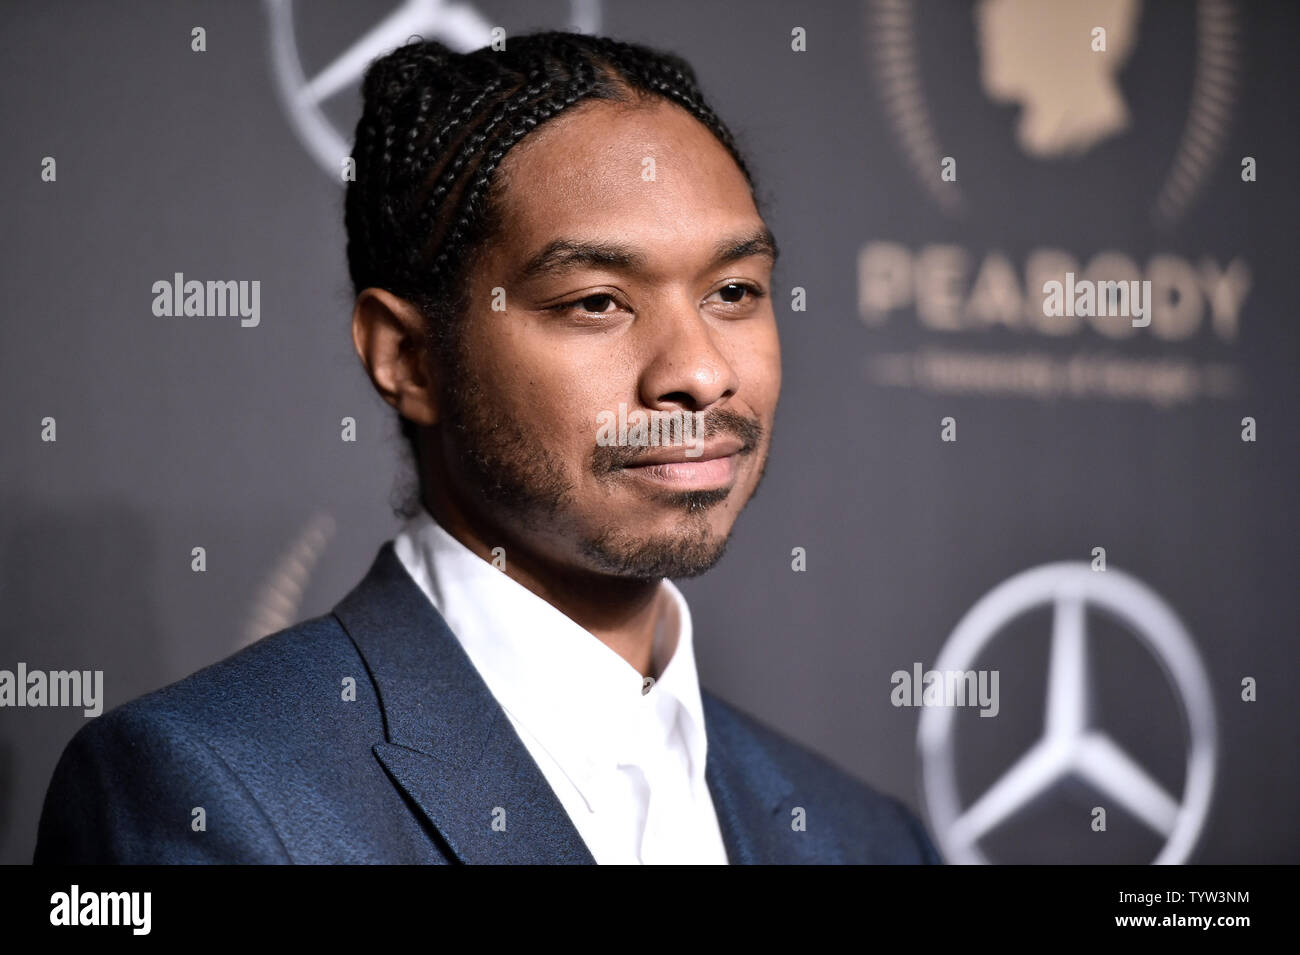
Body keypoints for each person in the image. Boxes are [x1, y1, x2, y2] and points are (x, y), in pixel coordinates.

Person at [34, 31, 940, 864]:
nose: (699, 372)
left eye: (734, 291)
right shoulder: (205, 792)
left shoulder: (866, 837)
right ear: (408, 356)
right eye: (597, 302)